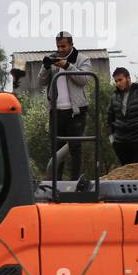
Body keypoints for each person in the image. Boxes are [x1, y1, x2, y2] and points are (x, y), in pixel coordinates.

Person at [38, 31, 90, 180]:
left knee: (75, 148)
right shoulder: (53, 58)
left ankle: (75, 181)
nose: (60, 49)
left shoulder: (82, 59)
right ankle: (56, 182)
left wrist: (67, 65)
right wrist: (46, 66)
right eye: (58, 46)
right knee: (56, 148)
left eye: (63, 46)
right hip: (56, 111)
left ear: (72, 44)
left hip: (76, 111)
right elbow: (41, 81)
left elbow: (83, 80)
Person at [106, 67, 138, 165]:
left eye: (120, 80)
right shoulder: (114, 97)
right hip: (120, 143)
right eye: (116, 81)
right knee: (126, 173)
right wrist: (112, 139)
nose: (118, 83)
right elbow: (109, 119)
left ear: (128, 78)